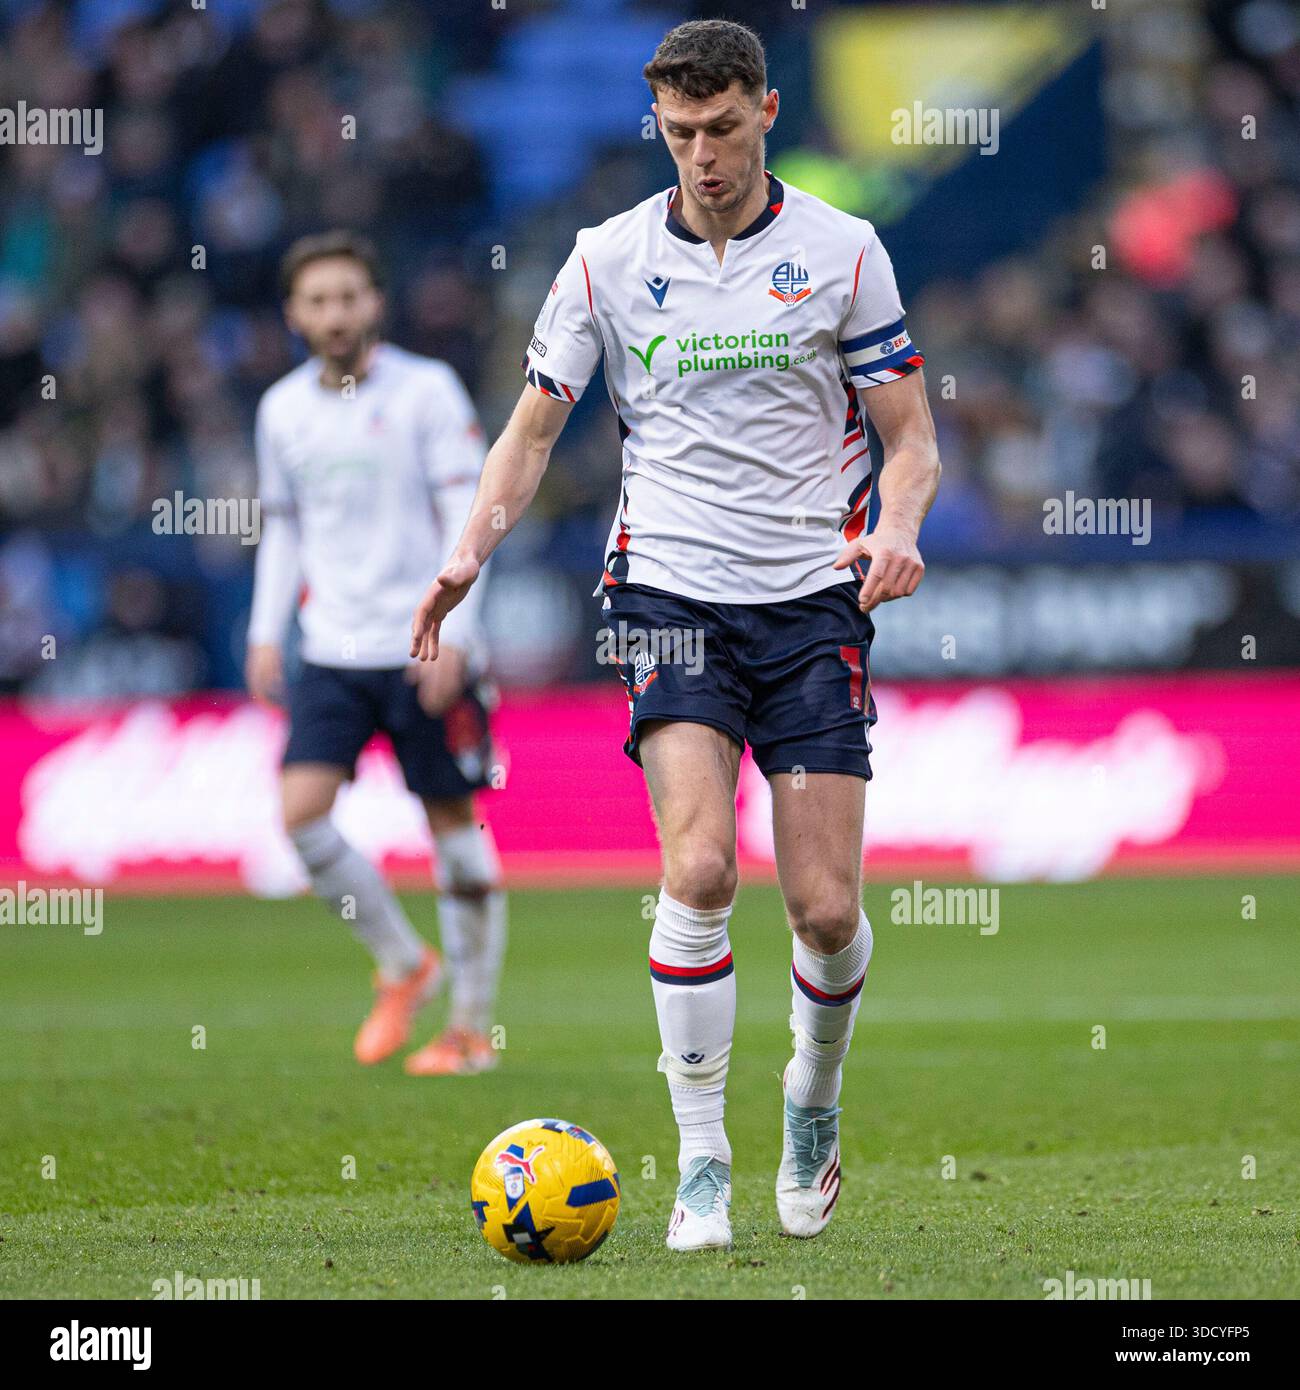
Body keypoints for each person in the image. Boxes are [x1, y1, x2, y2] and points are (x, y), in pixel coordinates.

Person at [411, 20, 940, 1244]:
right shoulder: (603, 260)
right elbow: (531, 433)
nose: (699, 154)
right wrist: (466, 553)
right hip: (668, 594)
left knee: (821, 907)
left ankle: (811, 1100)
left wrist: (900, 525)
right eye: (677, 131)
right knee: (697, 869)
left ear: (762, 110)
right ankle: (701, 1156)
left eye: (719, 127)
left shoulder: (842, 251)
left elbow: (909, 435)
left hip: (817, 599)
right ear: (658, 122)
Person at [248, 231, 506, 1078]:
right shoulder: (281, 410)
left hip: (420, 641)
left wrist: (457, 638)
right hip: (330, 649)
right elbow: (283, 527)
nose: (334, 315)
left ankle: (469, 1028)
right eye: (317, 301)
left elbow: (474, 520)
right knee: (301, 815)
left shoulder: (427, 392)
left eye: (348, 297)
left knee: (454, 835)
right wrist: (263, 629)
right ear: (294, 313)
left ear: (375, 304)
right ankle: (403, 962)